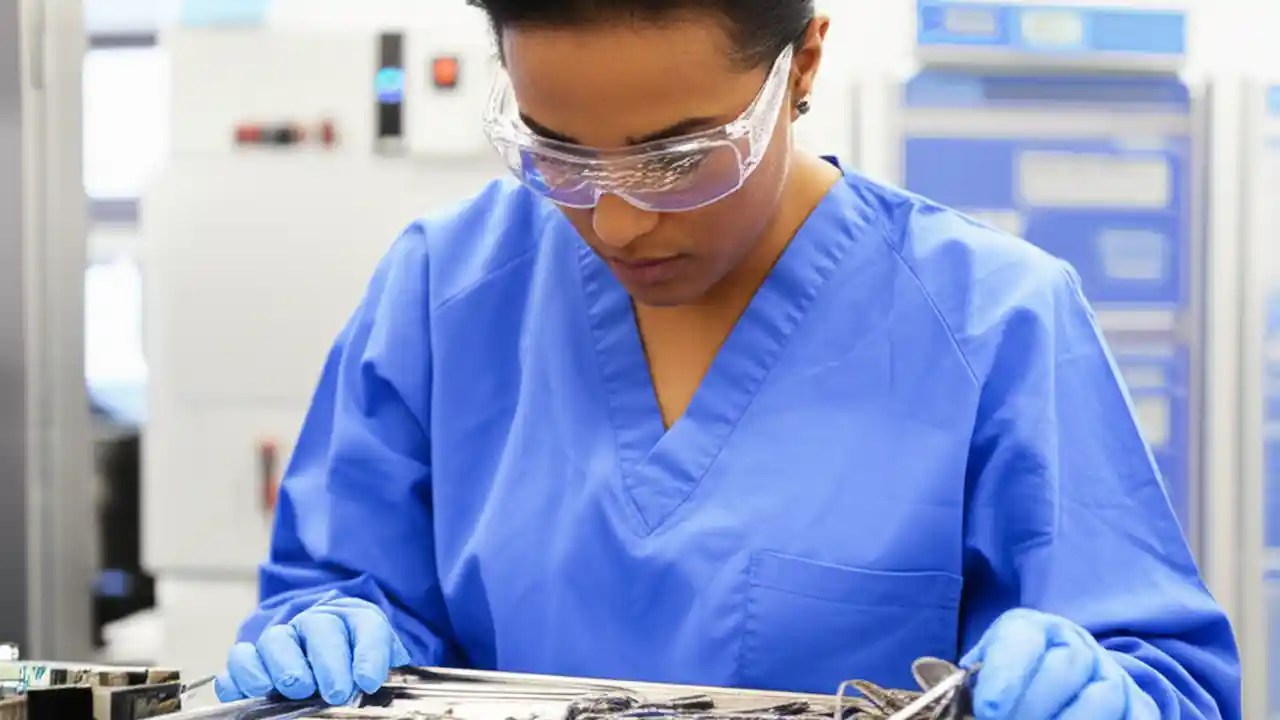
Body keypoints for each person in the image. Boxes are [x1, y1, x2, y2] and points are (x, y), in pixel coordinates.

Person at [212, 1, 1242, 718]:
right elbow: (343, 594)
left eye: (675, 158)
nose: (613, 220)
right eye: (557, 152)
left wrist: (1105, 693)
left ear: (801, 66)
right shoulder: (442, 293)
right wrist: (327, 631)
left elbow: (1163, 678)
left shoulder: (992, 319)